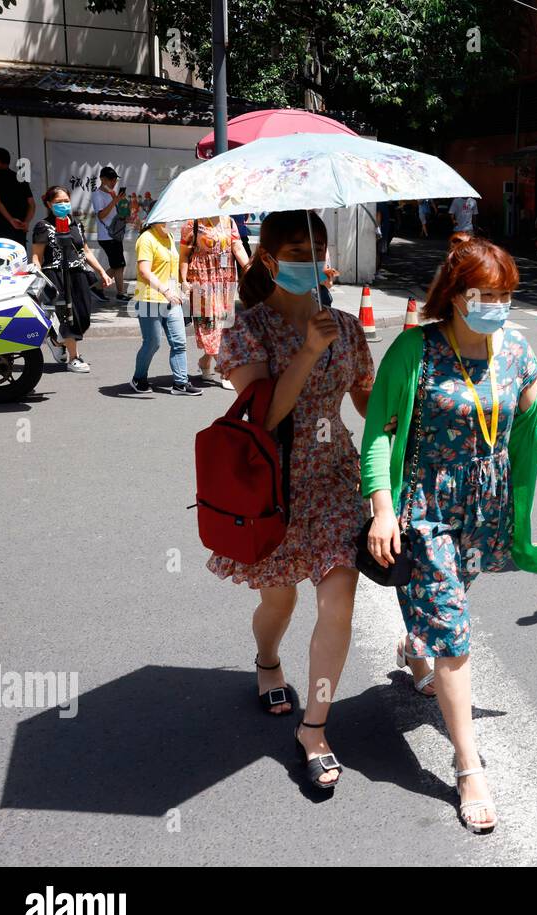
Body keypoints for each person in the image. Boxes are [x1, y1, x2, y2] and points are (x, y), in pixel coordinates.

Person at [363, 238, 537, 832]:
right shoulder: (413, 350)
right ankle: (469, 765)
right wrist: (382, 510)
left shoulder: (515, 347)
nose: (497, 304)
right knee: (455, 630)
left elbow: (536, 413)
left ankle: (414, 646)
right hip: (426, 508)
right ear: (455, 296)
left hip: (486, 505)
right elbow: (379, 435)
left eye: (505, 294)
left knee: (448, 606)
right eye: (485, 295)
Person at [209, 210, 375, 795]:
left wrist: (404, 407)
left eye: (319, 248)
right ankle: (266, 660)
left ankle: (315, 727)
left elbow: (366, 406)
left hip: (334, 480)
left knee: (338, 602)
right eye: (299, 251)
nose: (312, 260)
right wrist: (306, 351)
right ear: (272, 261)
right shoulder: (247, 330)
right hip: (271, 487)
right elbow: (264, 417)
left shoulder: (348, 327)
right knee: (277, 604)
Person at [30, 185, 112, 373]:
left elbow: (85, 250)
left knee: (83, 317)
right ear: (49, 204)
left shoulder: (76, 224)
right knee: (68, 316)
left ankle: (56, 340)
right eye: (58, 202)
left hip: (78, 274)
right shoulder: (43, 226)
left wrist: (102, 272)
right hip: (56, 275)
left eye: (66, 201)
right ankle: (74, 358)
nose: (63, 205)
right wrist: (38, 276)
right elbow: (36, 256)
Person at [180, 215, 249, 388]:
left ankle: (205, 362)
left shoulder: (229, 221)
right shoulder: (192, 224)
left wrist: (249, 268)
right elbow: (184, 255)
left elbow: (237, 247)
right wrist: (183, 280)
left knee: (222, 324)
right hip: (202, 279)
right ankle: (226, 372)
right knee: (210, 324)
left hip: (225, 280)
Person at [131, 219, 198, 395]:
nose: (170, 223)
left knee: (179, 342)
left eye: (171, 220)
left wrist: (182, 284)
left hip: (171, 298)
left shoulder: (168, 236)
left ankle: (180, 384)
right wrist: (165, 290)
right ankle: (139, 378)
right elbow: (145, 271)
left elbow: (171, 266)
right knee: (153, 343)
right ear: (153, 220)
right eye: (165, 220)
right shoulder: (146, 238)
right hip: (149, 299)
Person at [90, 167, 131, 302]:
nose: (113, 182)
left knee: (119, 264)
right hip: (107, 236)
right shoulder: (97, 195)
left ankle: (102, 289)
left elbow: (117, 213)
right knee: (117, 264)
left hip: (115, 234)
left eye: (115, 180)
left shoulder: (111, 193)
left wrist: (121, 202)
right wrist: (114, 200)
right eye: (111, 179)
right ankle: (100, 288)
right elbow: (101, 215)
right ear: (102, 179)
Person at [0, 147, 34, 245]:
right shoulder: (20, 178)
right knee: (18, 256)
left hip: (2, 225)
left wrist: (11, 220)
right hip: (20, 226)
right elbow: (32, 204)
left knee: (0, 255)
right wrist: (26, 222)